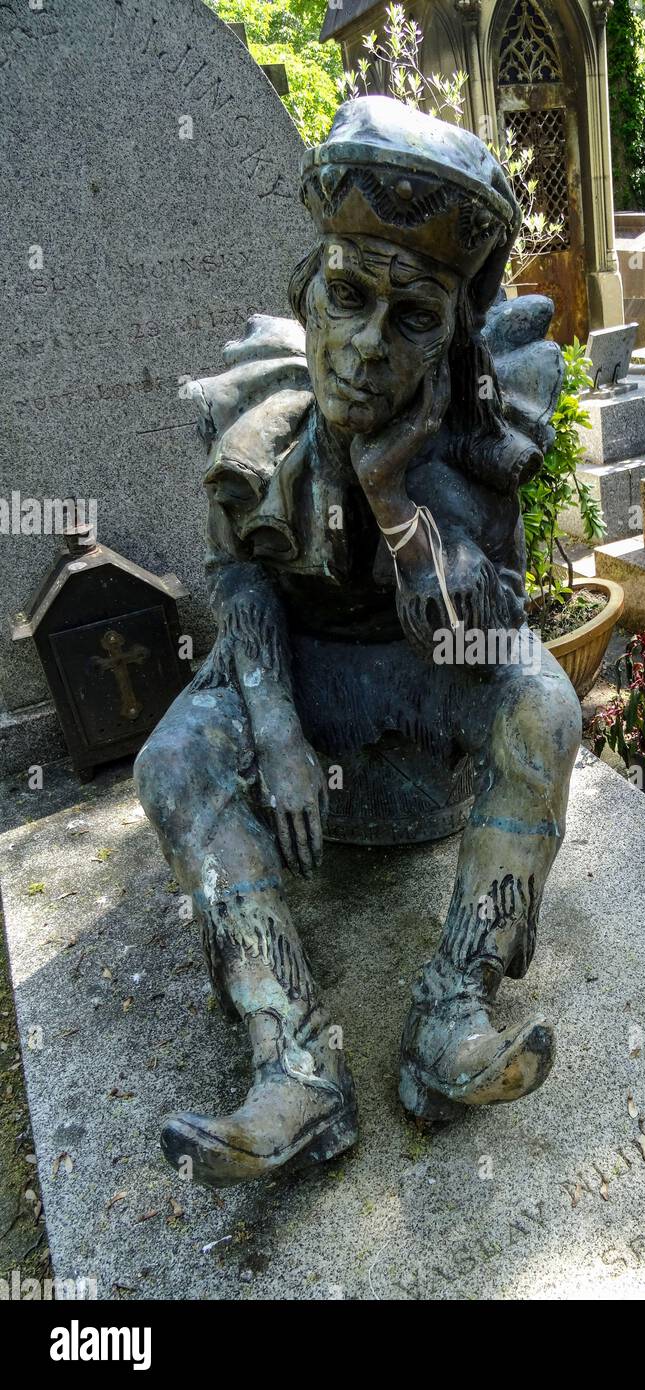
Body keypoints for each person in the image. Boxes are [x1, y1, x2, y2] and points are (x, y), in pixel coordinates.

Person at [135, 96, 581, 1187]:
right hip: (302, 668)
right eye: (349, 297)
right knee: (174, 759)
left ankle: (452, 1013)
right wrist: (277, 731)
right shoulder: (259, 408)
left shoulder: (482, 425)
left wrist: (392, 494)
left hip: (431, 667)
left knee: (545, 704)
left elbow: (484, 634)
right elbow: (241, 574)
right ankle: (293, 1058)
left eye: (414, 318)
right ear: (309, 293)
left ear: (456, 337)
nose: (369, 347)